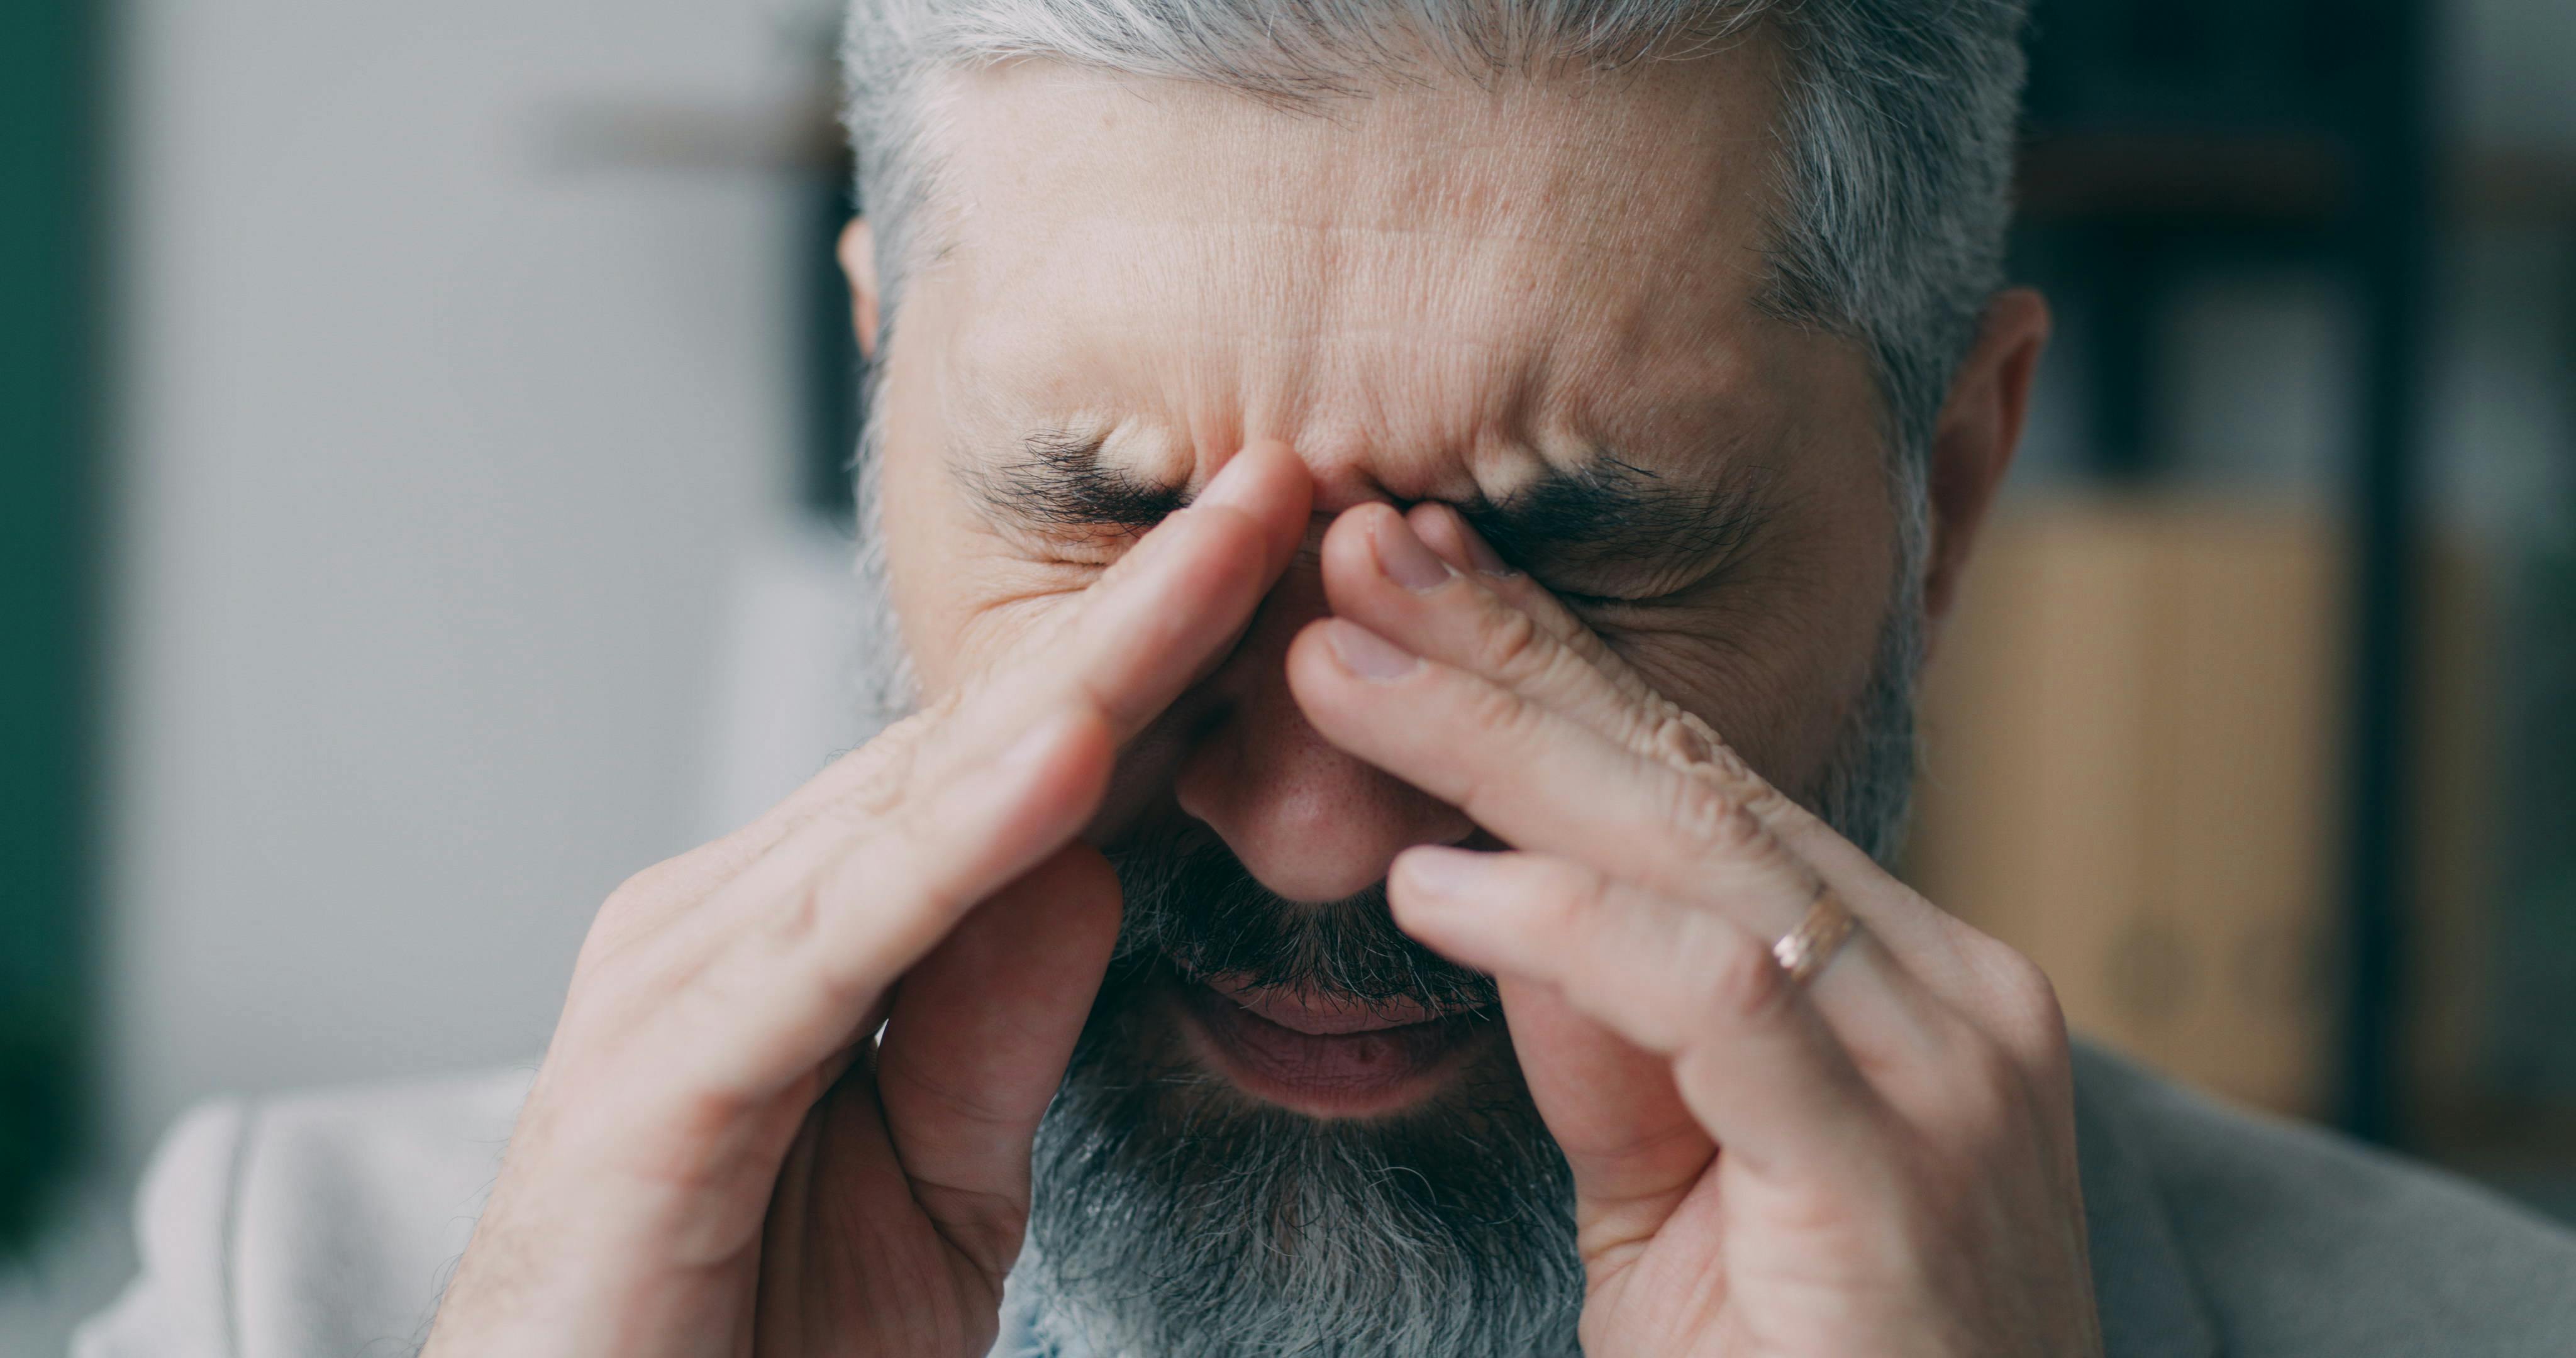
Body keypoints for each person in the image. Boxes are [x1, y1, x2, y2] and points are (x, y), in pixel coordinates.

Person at [77, 2, 2576, 1355]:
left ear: (1945, 501)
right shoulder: (290, 1290)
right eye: (1112, 521)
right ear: (878, 419)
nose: (1309, 823)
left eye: (1564, 561)